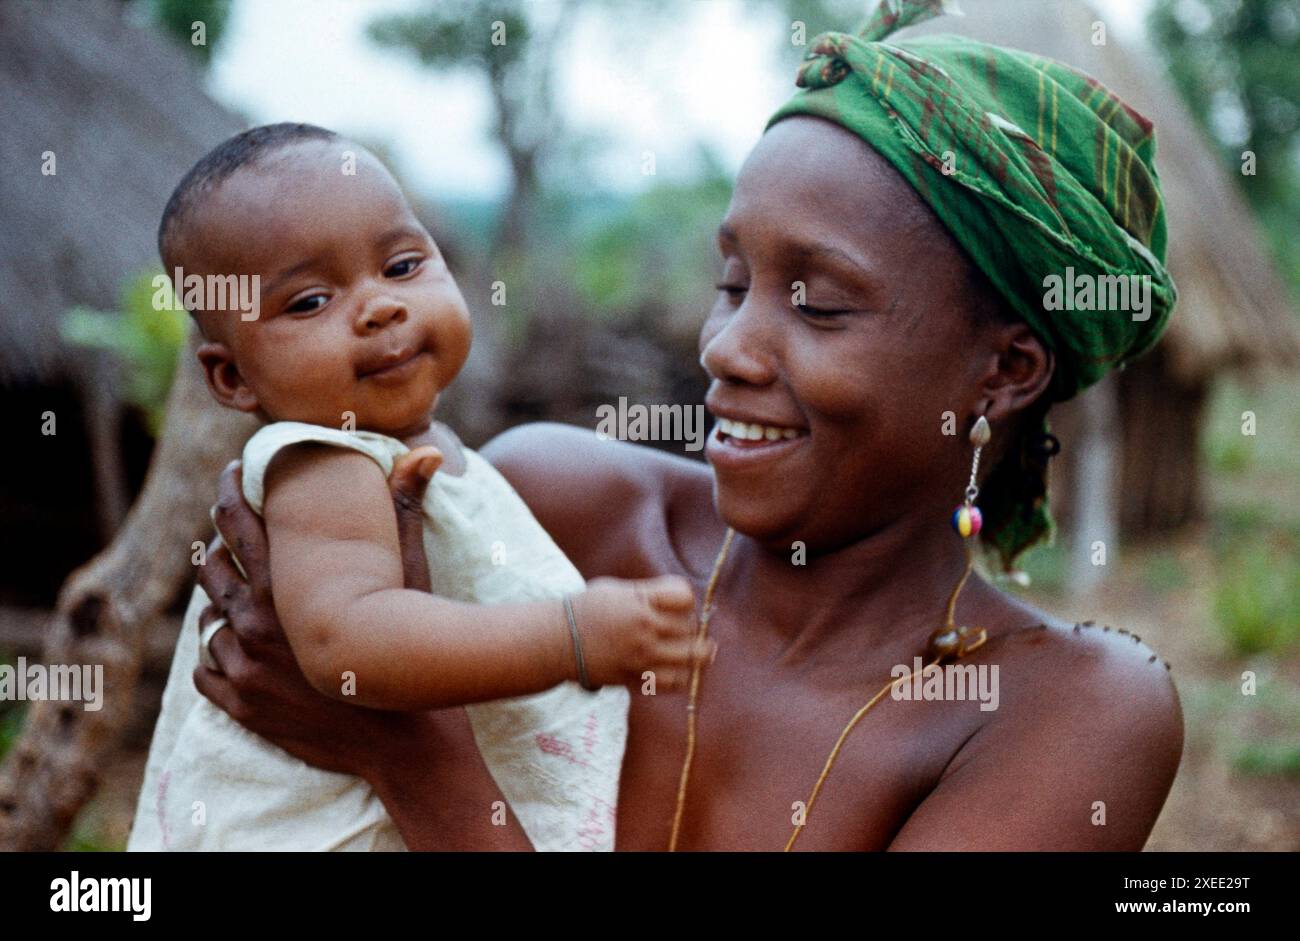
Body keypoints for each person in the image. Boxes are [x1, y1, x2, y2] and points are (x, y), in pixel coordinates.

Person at [185, 1, 1184, 850]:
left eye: (819, 305)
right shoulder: (551, 512)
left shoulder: (1067, 710)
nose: (725, 346)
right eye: (731, 282)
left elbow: (378, 736)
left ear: (1004, 371)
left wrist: (406, 751)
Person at [127, 123, 713, 852]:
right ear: (231, 377)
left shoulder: (427, 455)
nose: (378, 307)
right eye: (309, 303)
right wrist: (575, 635)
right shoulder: (323, 461)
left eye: (402, 265)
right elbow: (348, 640)